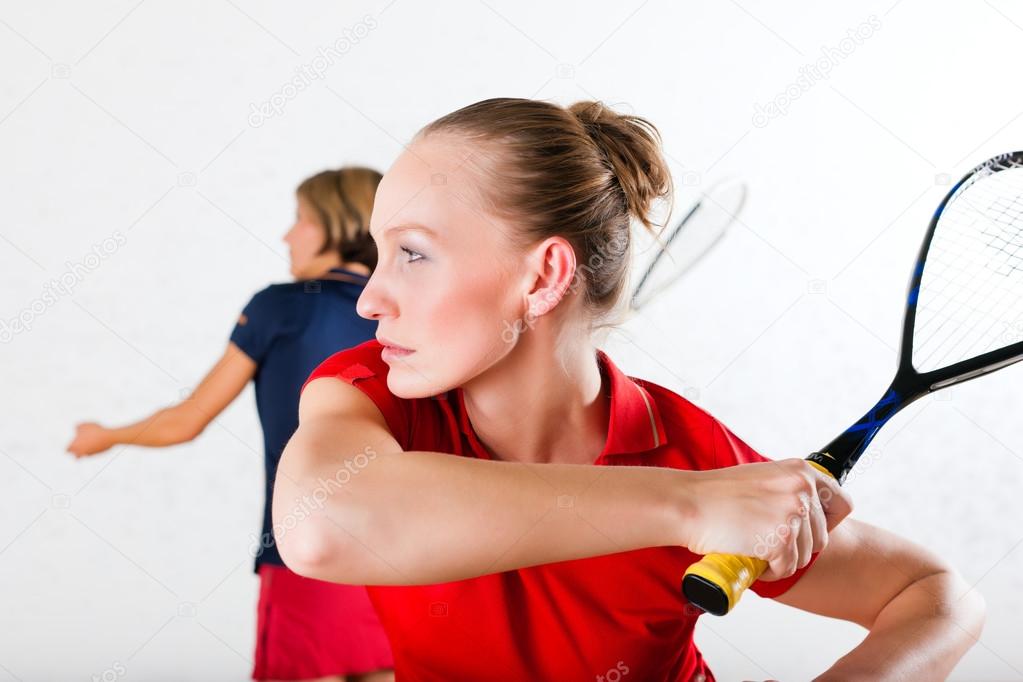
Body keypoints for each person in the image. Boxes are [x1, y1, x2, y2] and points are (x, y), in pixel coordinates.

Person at [271, 99, 986, 681]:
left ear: (543, 277)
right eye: (379, 252)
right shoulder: (370, 395)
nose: (369, 300)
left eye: (413, 254)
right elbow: (315, 526)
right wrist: (688, 508)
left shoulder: (694, 452)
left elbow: (935, 599)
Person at [66, 167, 396, 682]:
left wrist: (107, 435)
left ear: (336, 223)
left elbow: (186, 421)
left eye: (300, 219)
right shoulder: (405, 312)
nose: (287, 235)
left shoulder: (279, 308)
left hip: (304, 551)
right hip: (406, 559)